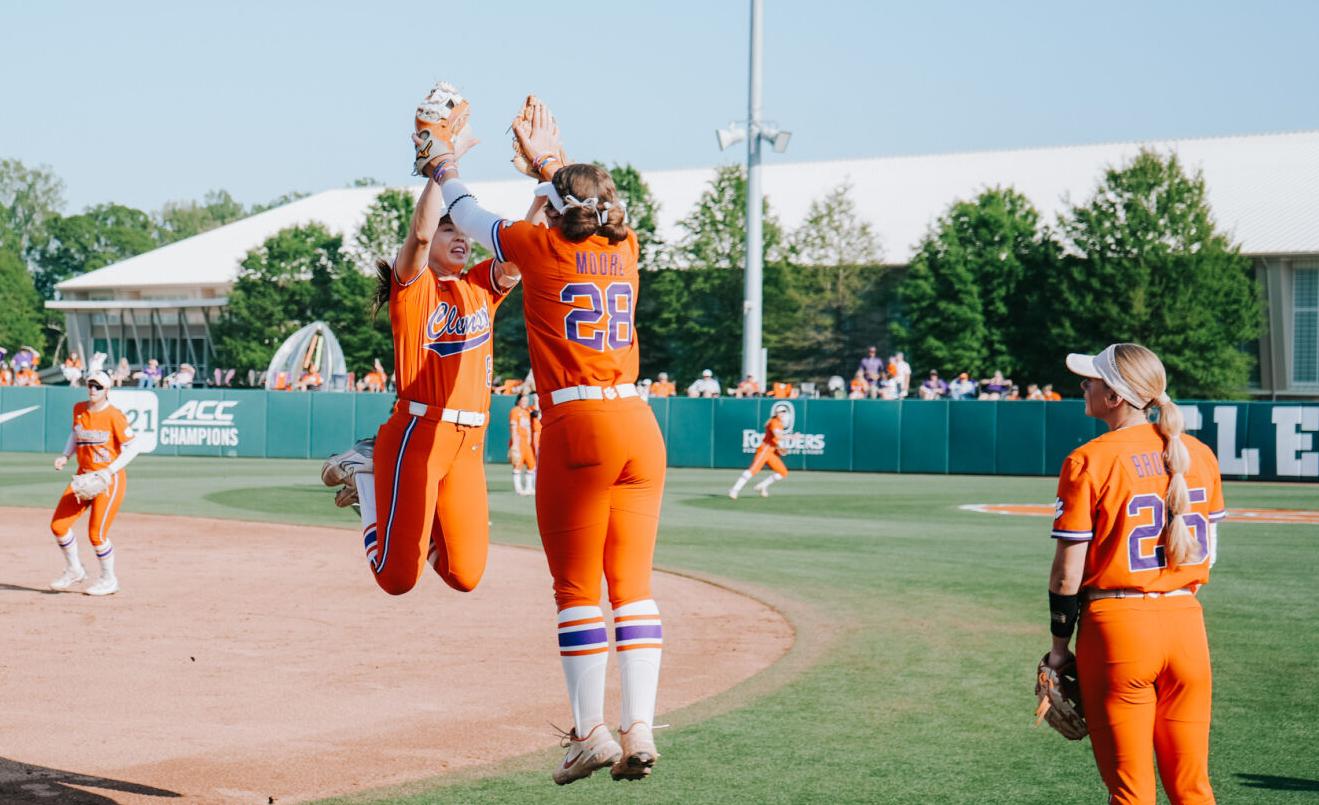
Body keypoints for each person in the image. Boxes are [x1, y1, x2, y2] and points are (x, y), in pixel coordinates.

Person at [435, 99, 667, 784]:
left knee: (575, 587)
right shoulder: (624, 245)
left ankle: (589, 730)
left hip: (577, 423)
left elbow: (469, 214)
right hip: (638, 424)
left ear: (553, 204)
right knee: (633, 588)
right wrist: (548, 163)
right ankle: (641, 725)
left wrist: (441, 162)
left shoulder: (539, 244)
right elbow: (582, 205)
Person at [318, 124, 523, 603]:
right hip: (417, 432)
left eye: (463, 230)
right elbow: (421, 230)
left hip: (468, 441)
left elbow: (519, 253)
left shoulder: (479, 286)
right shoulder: (413, 289)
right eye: (449, 229)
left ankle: (387, 491)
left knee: (464, 574)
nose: (460, 237)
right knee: (397, 579)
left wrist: (543, 190)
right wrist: (439, 168)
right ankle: (369, 480)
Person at [1045, 343, 1226, 805]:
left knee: (1132, 793)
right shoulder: (1198, 454)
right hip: (1187, 624)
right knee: (1193, 790)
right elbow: (1208, 554)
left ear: (1116, 397)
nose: (1083, 385)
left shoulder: (1089, 459)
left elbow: (1069, 572)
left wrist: (1059, 649)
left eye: (1092, 380)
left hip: (1119, 630)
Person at [48, 370, 141, 596]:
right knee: (58, 526)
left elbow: (134, 447)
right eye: (90, 385)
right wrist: (65, 455)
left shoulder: (114, 415)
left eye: (98, 386)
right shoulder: (79, 409)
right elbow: (75, 434)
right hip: (83, 477)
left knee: (96, 535)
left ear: (107, 390)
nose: (92, 389)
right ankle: (74, 570)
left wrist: (109, 471)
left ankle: (109, 579)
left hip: (109, 479)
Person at [728, 402, 791, 499]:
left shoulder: (780, 424)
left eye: (784, 411)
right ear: (776, 413)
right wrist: (792, 437)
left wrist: (780, 447)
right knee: (752, 471)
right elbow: (777, 435)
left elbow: (775, 439)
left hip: (771, 452)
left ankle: (762, 486)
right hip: (764, 450)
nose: (782, 413)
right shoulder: (774, 422)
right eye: (780, 412)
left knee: (783, 472)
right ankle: (735, 489)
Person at [508, 394, 537, 496]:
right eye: (523, 400)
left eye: (526, 400)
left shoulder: (527, 411)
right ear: (518, 401)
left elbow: (536, 410)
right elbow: (513, 427)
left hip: (526, 442)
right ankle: (518, 489)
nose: (525, 402)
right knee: (517, 465)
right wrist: (515, 444)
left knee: (531, 465)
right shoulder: (515, 410)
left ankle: (529, 488)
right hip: (518, 441)